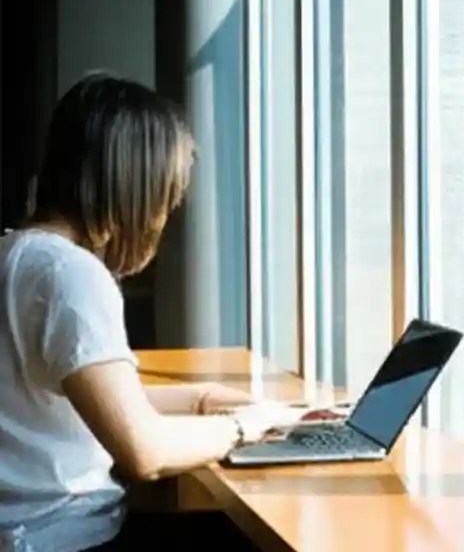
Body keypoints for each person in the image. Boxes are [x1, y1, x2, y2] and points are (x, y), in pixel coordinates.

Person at [0, 74, 292, 551]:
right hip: (63, 536)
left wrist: (204, 398)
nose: (164, 215)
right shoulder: (69, 274)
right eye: (166, 199)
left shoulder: (16, 254)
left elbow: (82, 401)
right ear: (133, 188)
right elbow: (145, 452)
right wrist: (242, 429)